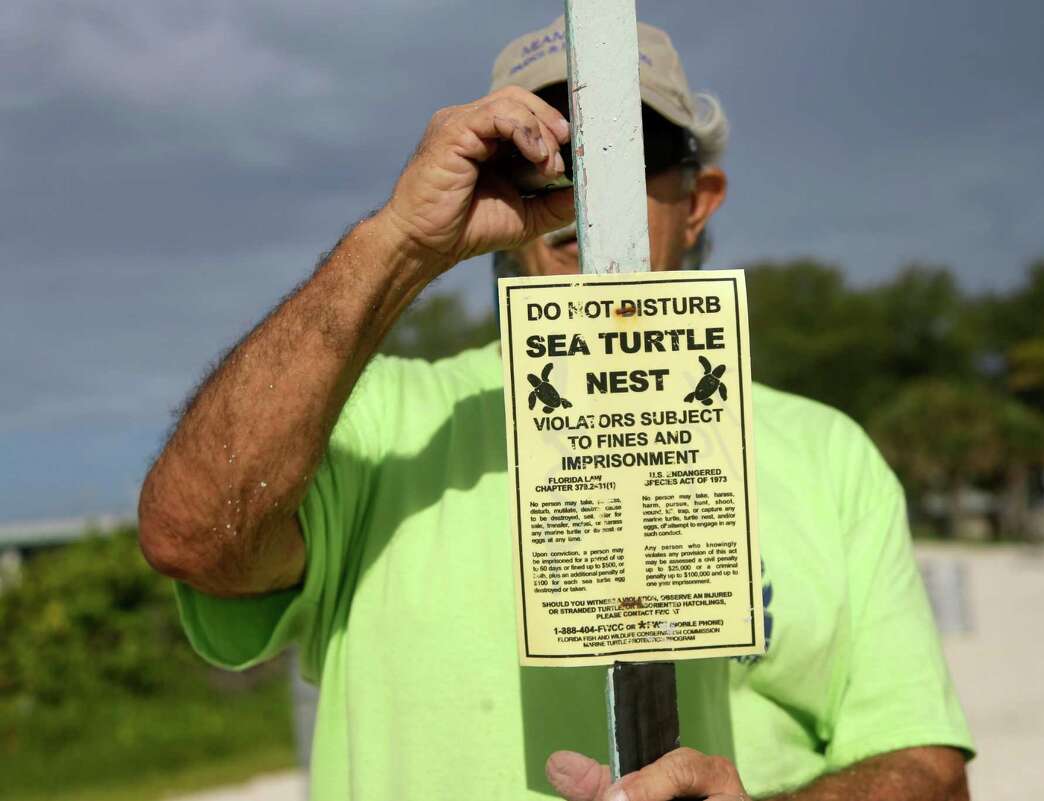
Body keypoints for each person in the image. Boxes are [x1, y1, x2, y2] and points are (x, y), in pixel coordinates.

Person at [138, 17, 974, 801]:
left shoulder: (827, 453)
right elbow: (191, 533)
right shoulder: (381, 421)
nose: (590, 177)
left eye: (634, 146)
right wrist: (399, 241)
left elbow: (926, 765)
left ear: (701, 196)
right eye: (542, 148)